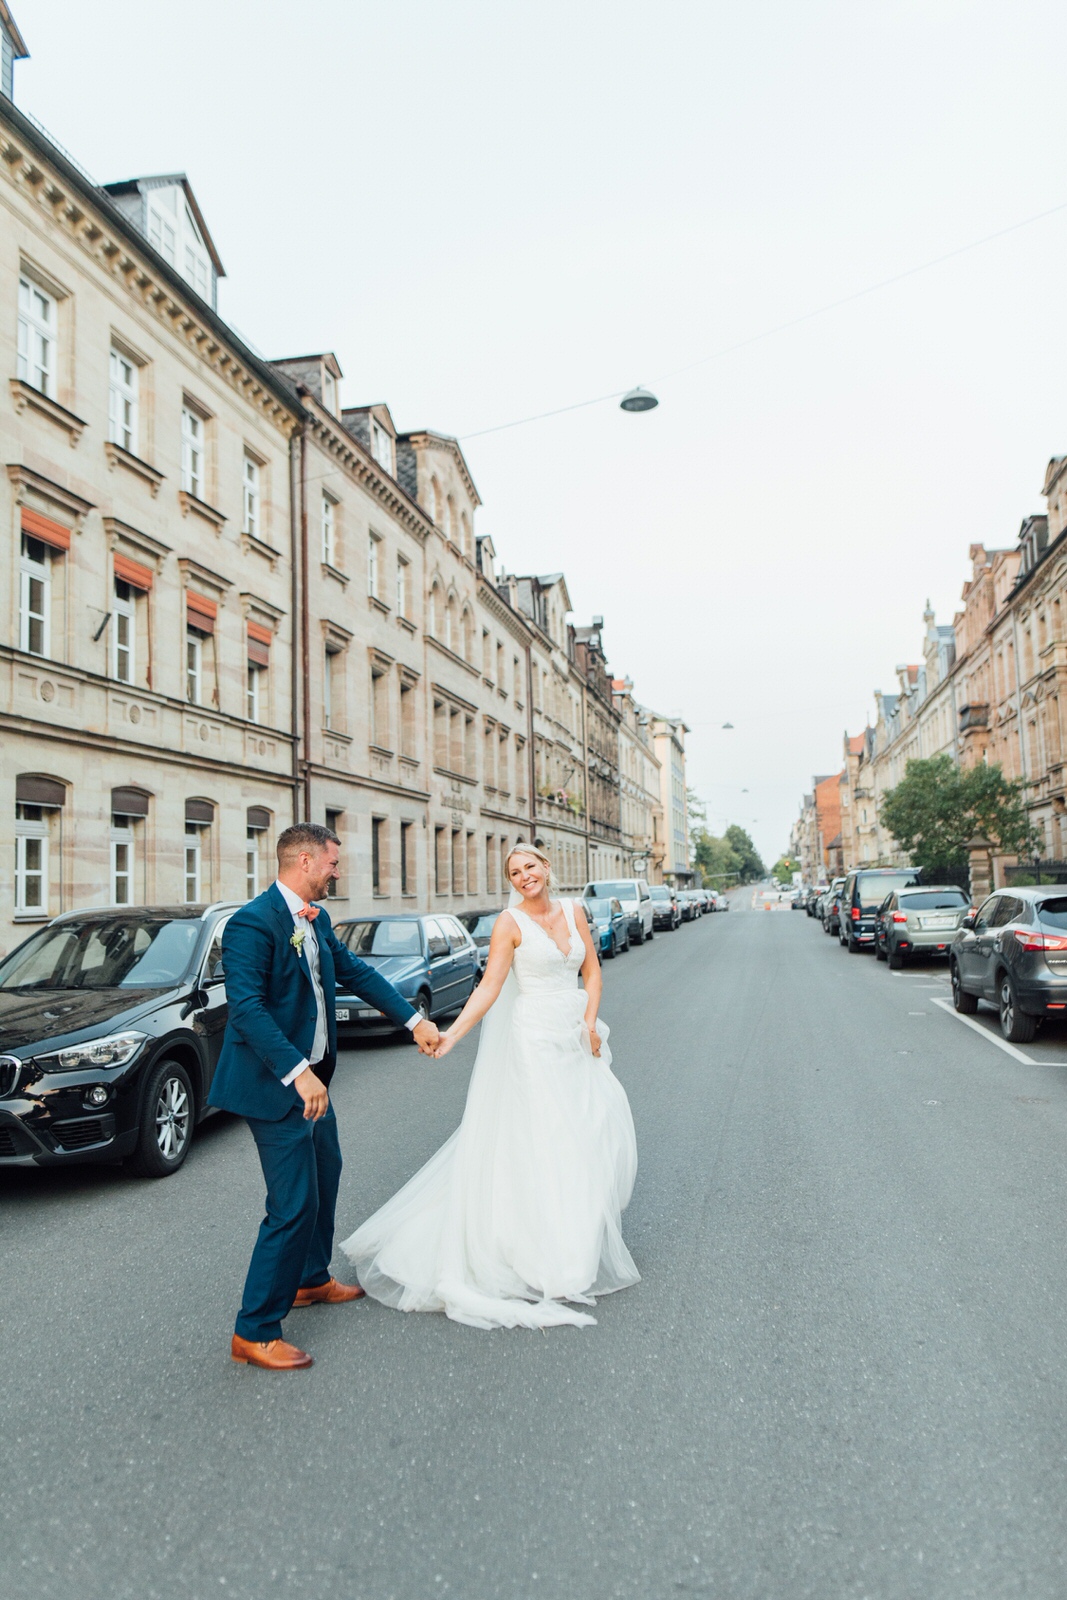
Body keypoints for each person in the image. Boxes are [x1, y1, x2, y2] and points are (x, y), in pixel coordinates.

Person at [342, 844, 639, 1329]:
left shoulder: (573, 910)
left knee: (591, 1130)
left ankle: (575, 1240)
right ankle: (541, 1252)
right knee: (547, 1138)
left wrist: (589, 1021)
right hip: (534, 1040)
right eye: (515, 872)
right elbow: (489, 986)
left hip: (575, 1035)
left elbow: (592, 971)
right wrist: (452, 1036)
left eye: (530, 867)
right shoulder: (509, 923)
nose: (524, 877)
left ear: (547, 867)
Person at [211, 822, 440, 1370]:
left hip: (314, 1078)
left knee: (327, 1175)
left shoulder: (317, 919)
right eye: (334, 863)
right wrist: (297, 1070)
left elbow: (355, 972)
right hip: (274, 1083)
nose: (339, 871)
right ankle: (255, 1330)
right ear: (306, 861)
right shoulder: (251, 924)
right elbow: (246, 1009)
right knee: (292, 1204)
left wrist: (413, 1020)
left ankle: (310, 1279)